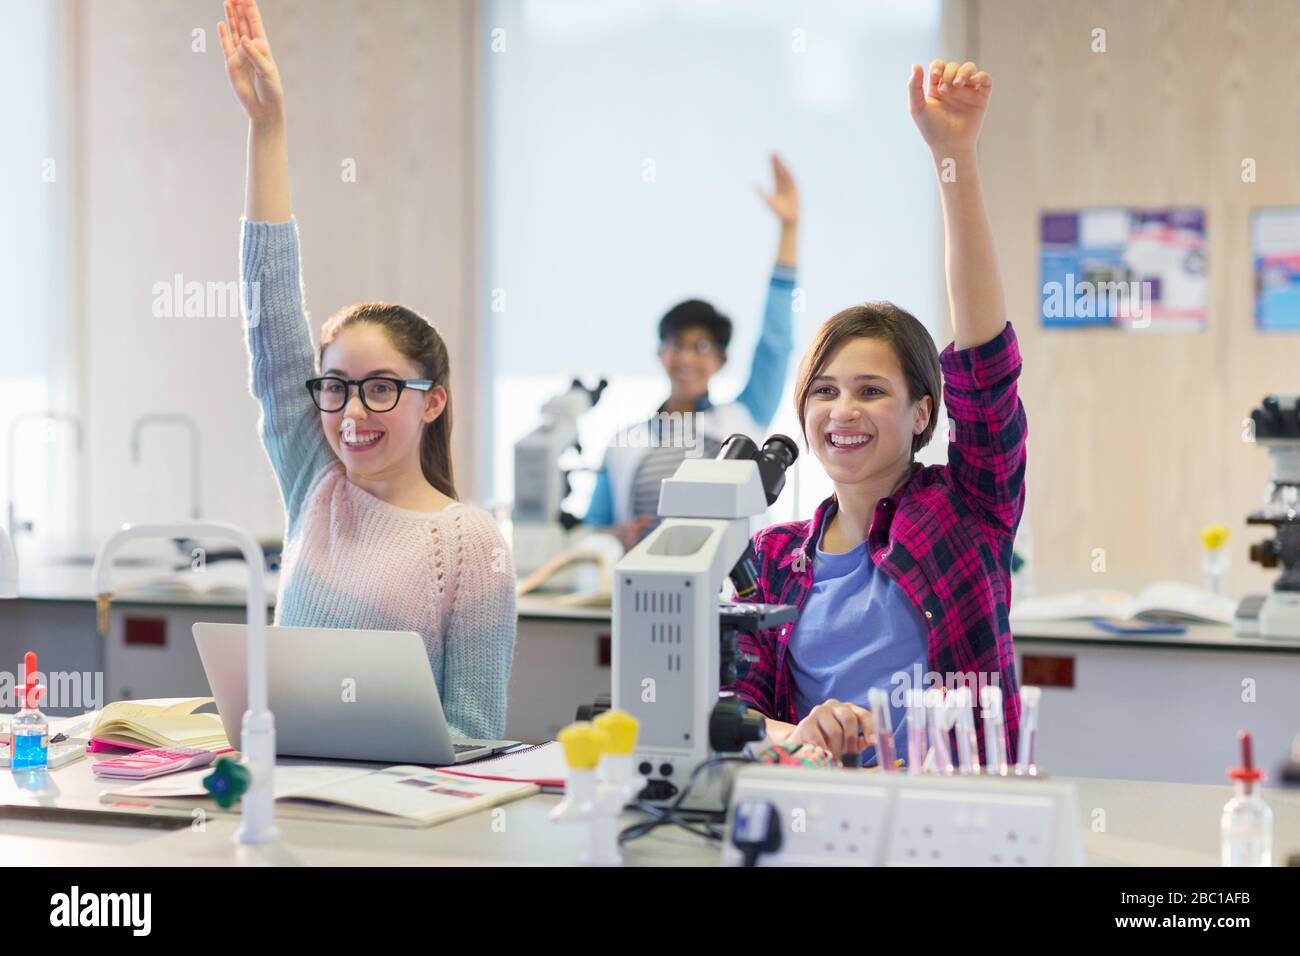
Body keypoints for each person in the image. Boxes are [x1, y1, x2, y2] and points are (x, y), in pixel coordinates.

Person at [218, 0, 514, 739]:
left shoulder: (470, 546)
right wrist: (266, 129)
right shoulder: (315, 489)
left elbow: (474, 737)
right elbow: (271, 313)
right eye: (335, 387)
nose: (350, 414)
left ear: (432, 401)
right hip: (288, 797)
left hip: (402, 829)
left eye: (381, 389)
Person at [734, 60, 1025, 768]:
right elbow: (732, 714)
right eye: (824, 390)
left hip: (955, 819)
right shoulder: (771, 560)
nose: (843, 410)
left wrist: (953, 156)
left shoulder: (966, 510)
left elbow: (986, 360)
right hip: (816, 820)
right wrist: (803, 732)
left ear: (923, 411)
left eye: (871, 390)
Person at [586, 156, 800, 549]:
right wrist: (613, 535)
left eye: (701, 347)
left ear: (721, 361)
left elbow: (775, 343)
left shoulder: (744, 418)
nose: (686, 358)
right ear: (660, 354)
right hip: (645, 589)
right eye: (677, 345)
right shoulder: (623, 444)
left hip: (731, 592)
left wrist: (788, 229)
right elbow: (592, 527)